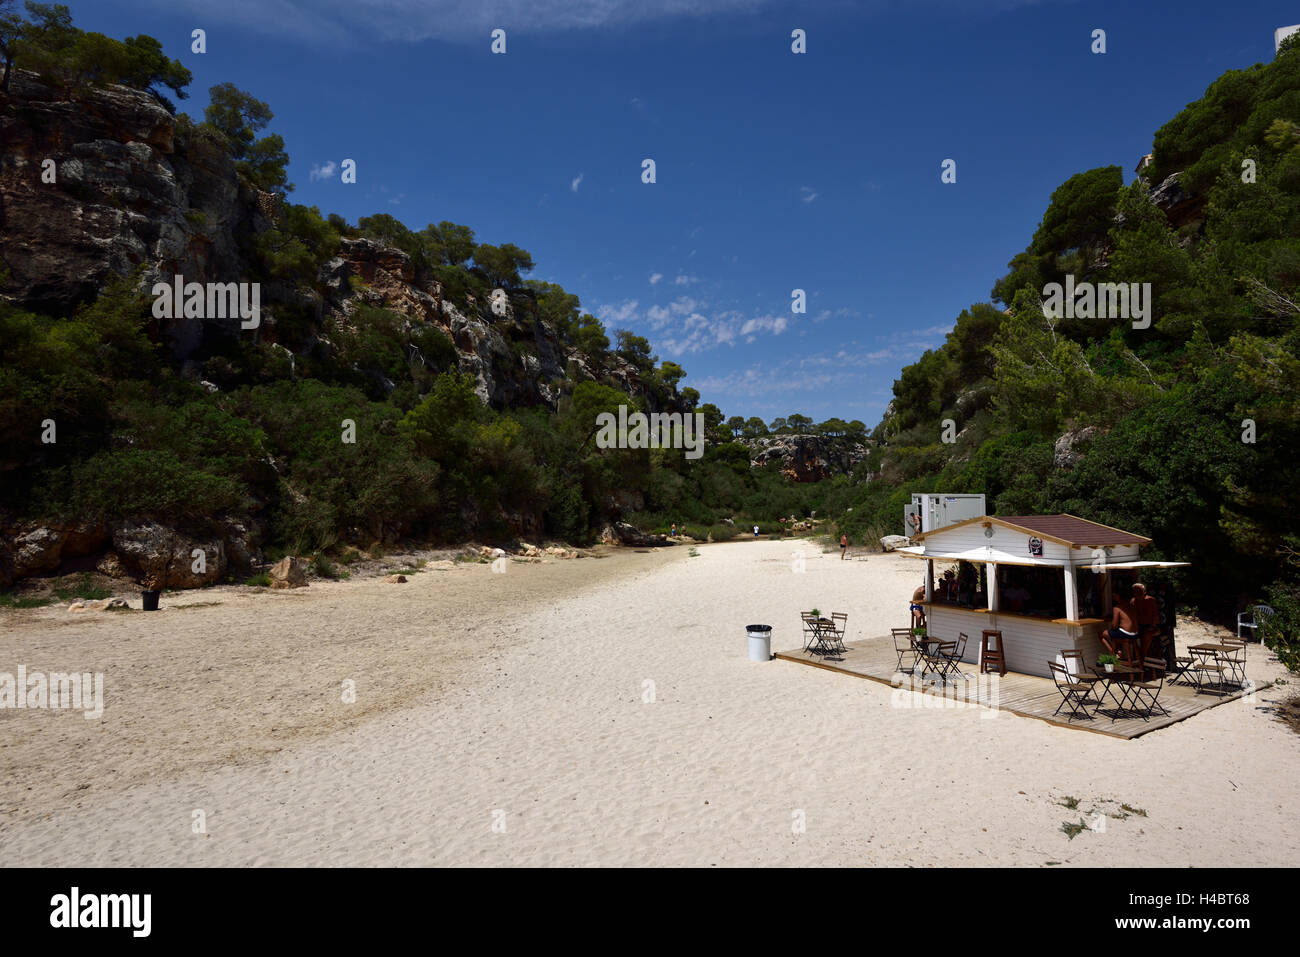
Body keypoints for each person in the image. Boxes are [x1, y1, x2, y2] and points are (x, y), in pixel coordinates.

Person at [1102, 585, 1140, 663]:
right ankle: (1118, 652)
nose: (1113, 597)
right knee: (1116, 635)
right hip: (1136, 633)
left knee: (1102, 634)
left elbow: (1114, 626)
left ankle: (1115, 653)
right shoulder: (1131, 606)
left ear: (1118, 596)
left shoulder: (1117, 608)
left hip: (1126, 634)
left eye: (1114, 595)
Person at [1131, 582, 1161, 660]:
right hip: (1139, 626)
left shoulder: (1150, 600)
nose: (1137, 593)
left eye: (1139, 591)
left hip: (1150, 626)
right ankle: (1139, 659)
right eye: (1135, 591)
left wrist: (1153, 626)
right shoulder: (1133, 601)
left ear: (1144, 592)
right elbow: (1133, 616)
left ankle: (1142, 659)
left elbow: (1155, 616)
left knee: (1147, 637)